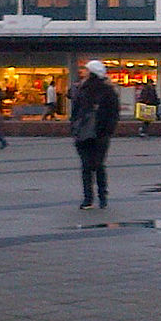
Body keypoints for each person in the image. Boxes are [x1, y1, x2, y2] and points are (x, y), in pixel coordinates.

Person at [69, 58, 121, 209]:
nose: (83, 73)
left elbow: (76, 111)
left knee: (86, 167)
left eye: (86, 70)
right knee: (98, 165)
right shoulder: (108, 90)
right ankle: (102, 197)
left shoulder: (84, 89)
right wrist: (108, 131)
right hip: (100, 134)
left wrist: (74, 127)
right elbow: (114, 114)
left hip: (84, 133)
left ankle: (88, 199)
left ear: (91, 73)